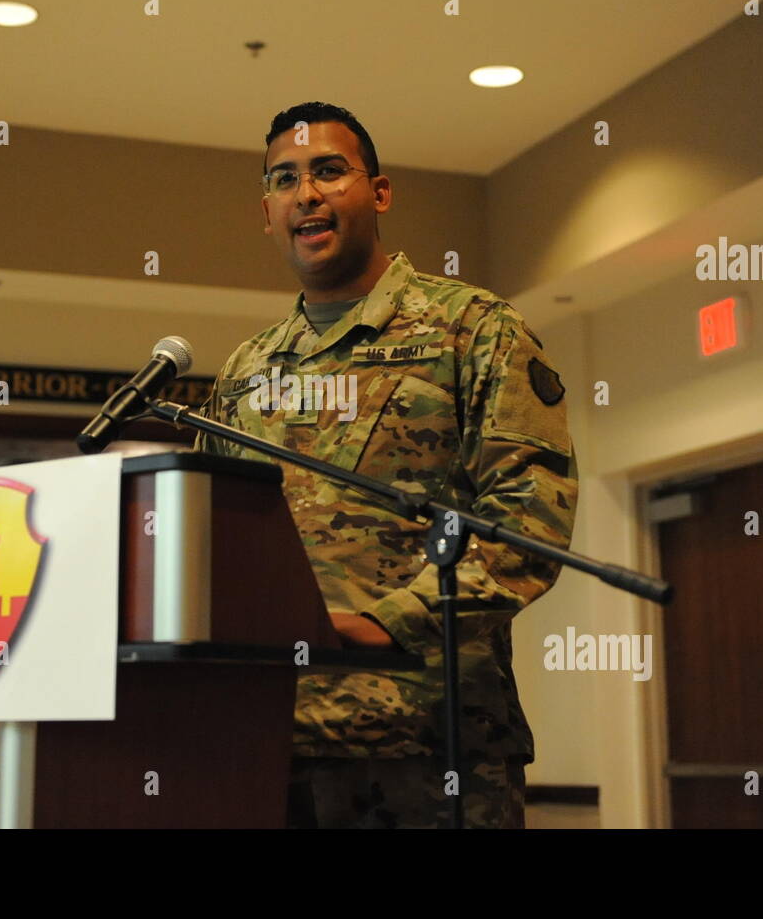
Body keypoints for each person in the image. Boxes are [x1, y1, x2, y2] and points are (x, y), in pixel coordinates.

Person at [194, 102, 578, 828]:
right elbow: (207, 539)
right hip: (267, 747)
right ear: (267, 213)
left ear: (380, 192)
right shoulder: (245, 371)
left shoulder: (473, 329)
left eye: (329, 171)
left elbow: (527, 523)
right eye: (284, 179)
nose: (306, 193)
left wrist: (387, 621)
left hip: (429, 748)